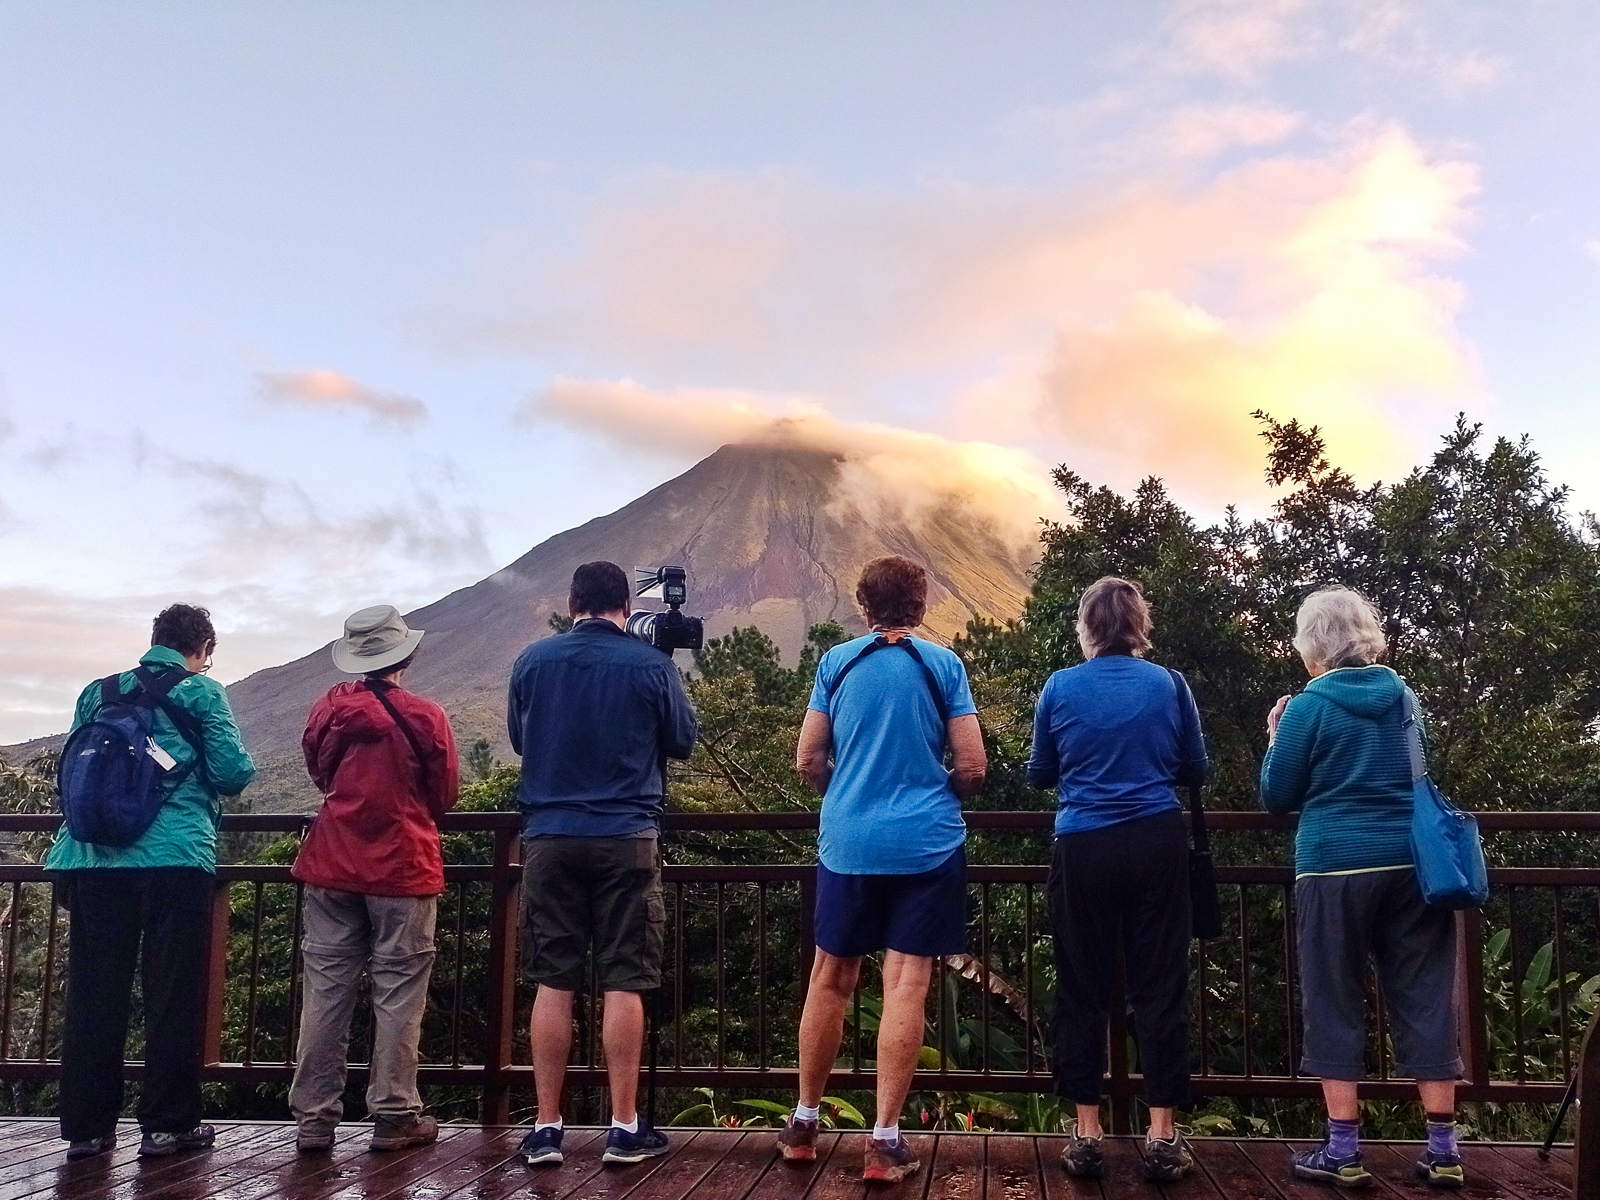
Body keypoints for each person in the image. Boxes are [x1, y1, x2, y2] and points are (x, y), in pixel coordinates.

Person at [781, 556, 987, 1185]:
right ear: (920, 606)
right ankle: (884, 1141)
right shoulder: (942, 665)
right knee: (905, 983)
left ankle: (803, 1123)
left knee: (829, 976)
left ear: (864, 605)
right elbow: (972, 764)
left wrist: (846, 797)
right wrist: (938, 794)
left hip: (848, 844)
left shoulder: (837, 663)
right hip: (926, 845)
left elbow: (808, 757)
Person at [1261, 586, 1465, 1190]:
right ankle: (1444, 1151)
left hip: (1333, 868)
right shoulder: (1404, 697)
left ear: (1312, 646)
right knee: (1425, 997)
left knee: (1334, 998)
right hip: (1411, 865)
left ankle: (1344, 1150)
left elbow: (1277, 796)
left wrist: (1275, 738)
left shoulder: (1307, 708)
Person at [46, 604, 255, 1160]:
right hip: (173, 858)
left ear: (155, 639)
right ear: (203, 649)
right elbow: (231, 773)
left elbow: (77, 769)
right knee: (172, 994)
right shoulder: (202, 693)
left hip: (92, 858)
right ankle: (167, 1126)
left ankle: (87, 1130)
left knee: (94, 993)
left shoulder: (99, 691)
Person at [508, 561, 696, 1168]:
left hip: (549, 837)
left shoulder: (533, 661)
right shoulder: (651, 664)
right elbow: (682, 740)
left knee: (553, 980)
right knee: (624, 980)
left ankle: (546, 1129)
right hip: (626, 836)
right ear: (626, 608)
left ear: (572, 603)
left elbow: (521, 739)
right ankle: (622, 1127)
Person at [1026, 576, 1205, 1184]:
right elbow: (1196, 768)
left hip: (1083, 846)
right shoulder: (1170, 685)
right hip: (1157, 842)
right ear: (1138, 625)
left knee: (1082, 984)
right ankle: (1162, 1134)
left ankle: (1086, 1132)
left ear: (1087, 628)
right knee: (1161, 985)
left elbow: (1040, 773)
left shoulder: (1060, 687)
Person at [288, 605, 460, 1154]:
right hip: (403, 867)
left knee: (326, 994)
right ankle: (394, 1113)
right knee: (399, 995)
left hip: (332, 863)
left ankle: (314, 1121)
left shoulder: (328, 710)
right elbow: (444, 795)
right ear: (406, 654)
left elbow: (320, 776)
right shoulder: (425, 716)